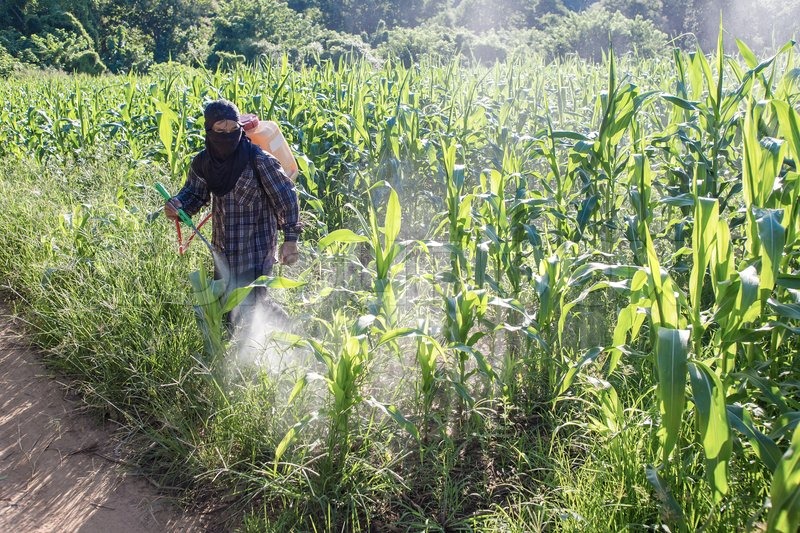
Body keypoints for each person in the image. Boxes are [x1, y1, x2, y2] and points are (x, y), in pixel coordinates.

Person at [164, 99, 300, 326]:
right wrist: (177, 206)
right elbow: (194, 195)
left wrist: (291, 240)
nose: (227, 136)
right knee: (228, 304)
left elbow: (286, 197)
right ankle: (234, 350)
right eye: (220, 130)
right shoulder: (203, 163)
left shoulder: (259, 160)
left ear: (240, 128)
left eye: (232, 129)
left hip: (257, 248)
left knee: (255, 302)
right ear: (209, 130)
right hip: (224, 249)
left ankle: (288, 338)